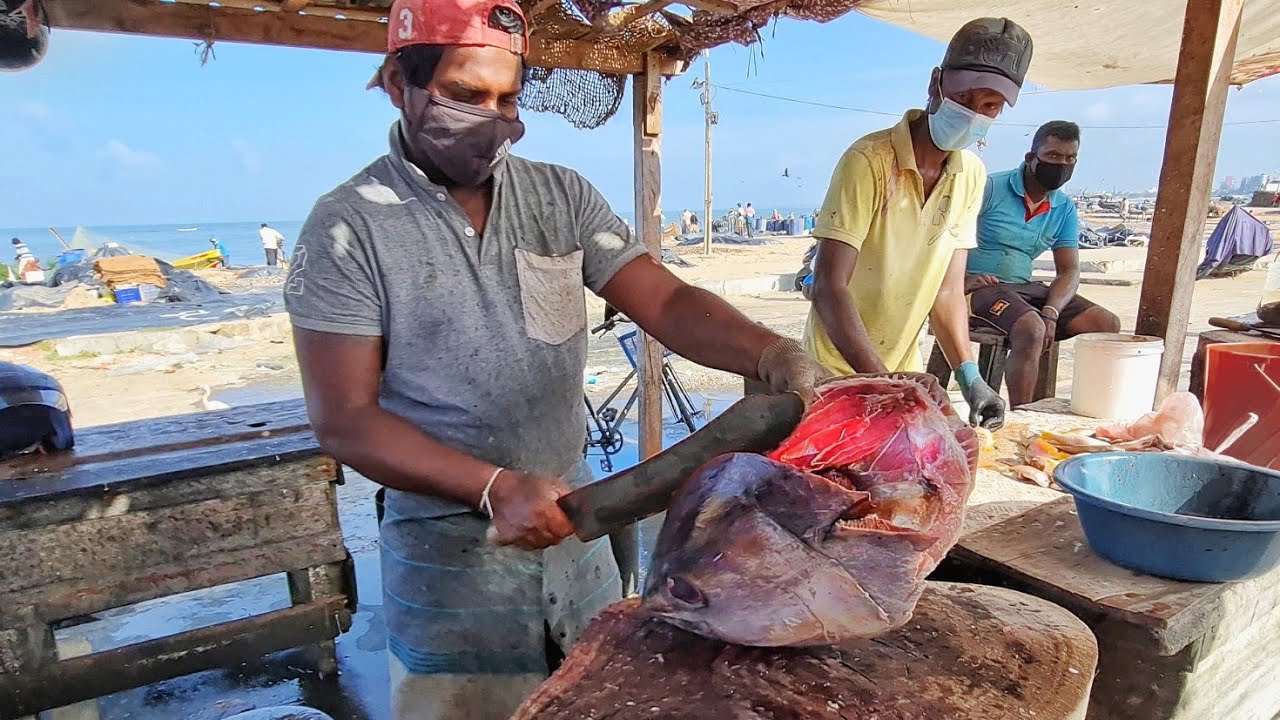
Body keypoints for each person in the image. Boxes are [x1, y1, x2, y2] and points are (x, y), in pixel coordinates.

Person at [283, 0, 828, 716]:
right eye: (464, 95)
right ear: (397, 84)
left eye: (507, 99)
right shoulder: (346, 228)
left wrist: (771, 352)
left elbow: (665, 301)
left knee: (594, 697)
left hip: (576, 526)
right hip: (450, 563)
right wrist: (491, 487)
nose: (492, 118)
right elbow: (346, 420)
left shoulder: (560, 196)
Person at [803, 16, 1033, 430]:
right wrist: (885, 382)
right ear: (935, 84)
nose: (973, 114)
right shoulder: (868, 161)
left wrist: (971, 378)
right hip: (834, 375)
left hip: (903, 371)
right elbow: (829, 286)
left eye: (990, 107)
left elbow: (947, 291)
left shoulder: (971, 176)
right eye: (964, 97)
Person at [967, 121, 1120, 407]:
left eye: (1070, 158)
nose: (1062, 164)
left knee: (1106, 323)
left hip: (1022, 288)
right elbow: (945, 237)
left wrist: (1051, 311)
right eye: (1053, 156)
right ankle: (1023, 413)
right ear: (1031, 158)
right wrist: (960, 280)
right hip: (978, 289)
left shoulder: (1064, 207)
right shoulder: (990, 188)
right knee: (1032, 328)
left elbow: (1069, 271)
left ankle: (1091, 406)